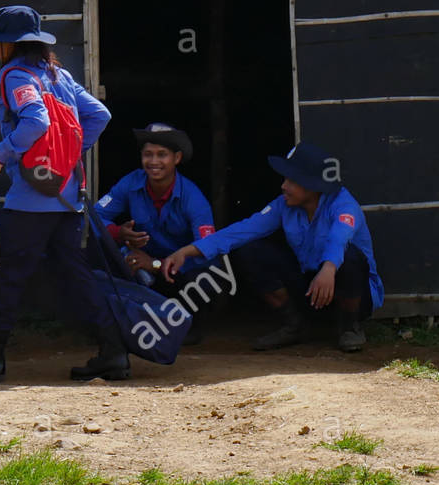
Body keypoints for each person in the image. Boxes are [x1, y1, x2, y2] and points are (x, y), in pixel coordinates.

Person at [0, 5, 115, 384]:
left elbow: (36, 121)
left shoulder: (14, 73)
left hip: (33, 198)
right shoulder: (59, 75)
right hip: (67, 194)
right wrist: (66, 157)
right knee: (75, 274)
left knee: (7, 277)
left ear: (7, 45)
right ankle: (113, 351)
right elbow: (99, 114)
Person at [161, 141, 381, 353]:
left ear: (312, 185)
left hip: (350, 293)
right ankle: (294, 325)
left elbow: (339, 237)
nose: (283, 186)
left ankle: (350, 327)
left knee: (351, 257)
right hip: (310, 288)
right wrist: (187, 251)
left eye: (291, 180)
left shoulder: (343, 204)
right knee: (250, 250)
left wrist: (329, 268)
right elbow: (242, 230)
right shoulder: (284, 204)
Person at [94, 122, 220, 341]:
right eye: (148, 154)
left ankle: (190, 325)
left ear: (177, 159)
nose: (153, 162)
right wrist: (118, 233)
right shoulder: (131, 182)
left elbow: (207, 250)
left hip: (180, 273)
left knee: (209, 274)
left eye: (162, 155)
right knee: (103, 252)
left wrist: (155, 264)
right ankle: (122, 325)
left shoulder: (193, 198)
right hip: (143, 270)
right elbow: (94, 216)